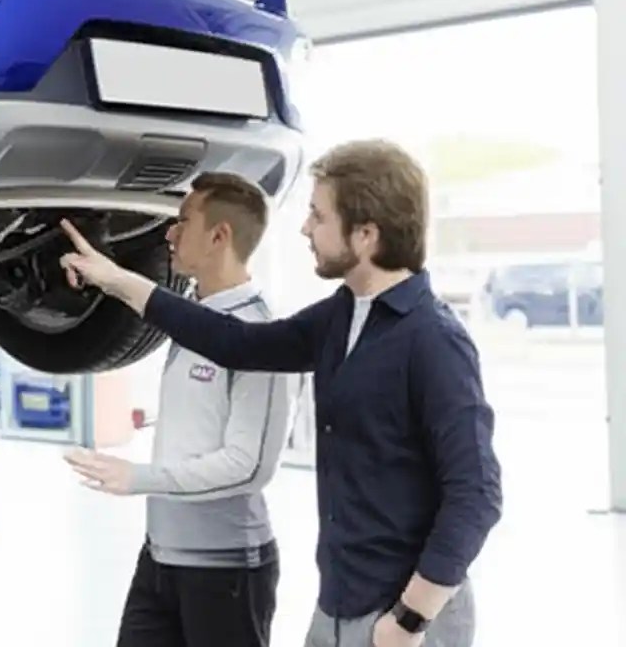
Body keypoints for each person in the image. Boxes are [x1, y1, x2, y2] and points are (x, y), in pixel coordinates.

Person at [58, 139, 503, 647]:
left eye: (319, 216)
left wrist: (409, 620)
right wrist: (115, 280)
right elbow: (235, 343)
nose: (305, 228)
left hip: (406, 618)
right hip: (340, 601)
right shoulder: (340, 316)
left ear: (365, 234)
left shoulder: (434, 340)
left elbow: (477, 494)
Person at [65, 172, 294, 647]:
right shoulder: (195, 320)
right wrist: (100, 276)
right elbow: (151, 305)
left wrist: (140, 477)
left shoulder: (259, 333)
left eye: (183, 221)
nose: (169, 233)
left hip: (226, 571)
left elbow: (249, 466)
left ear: (219, 236)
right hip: (160, 558)